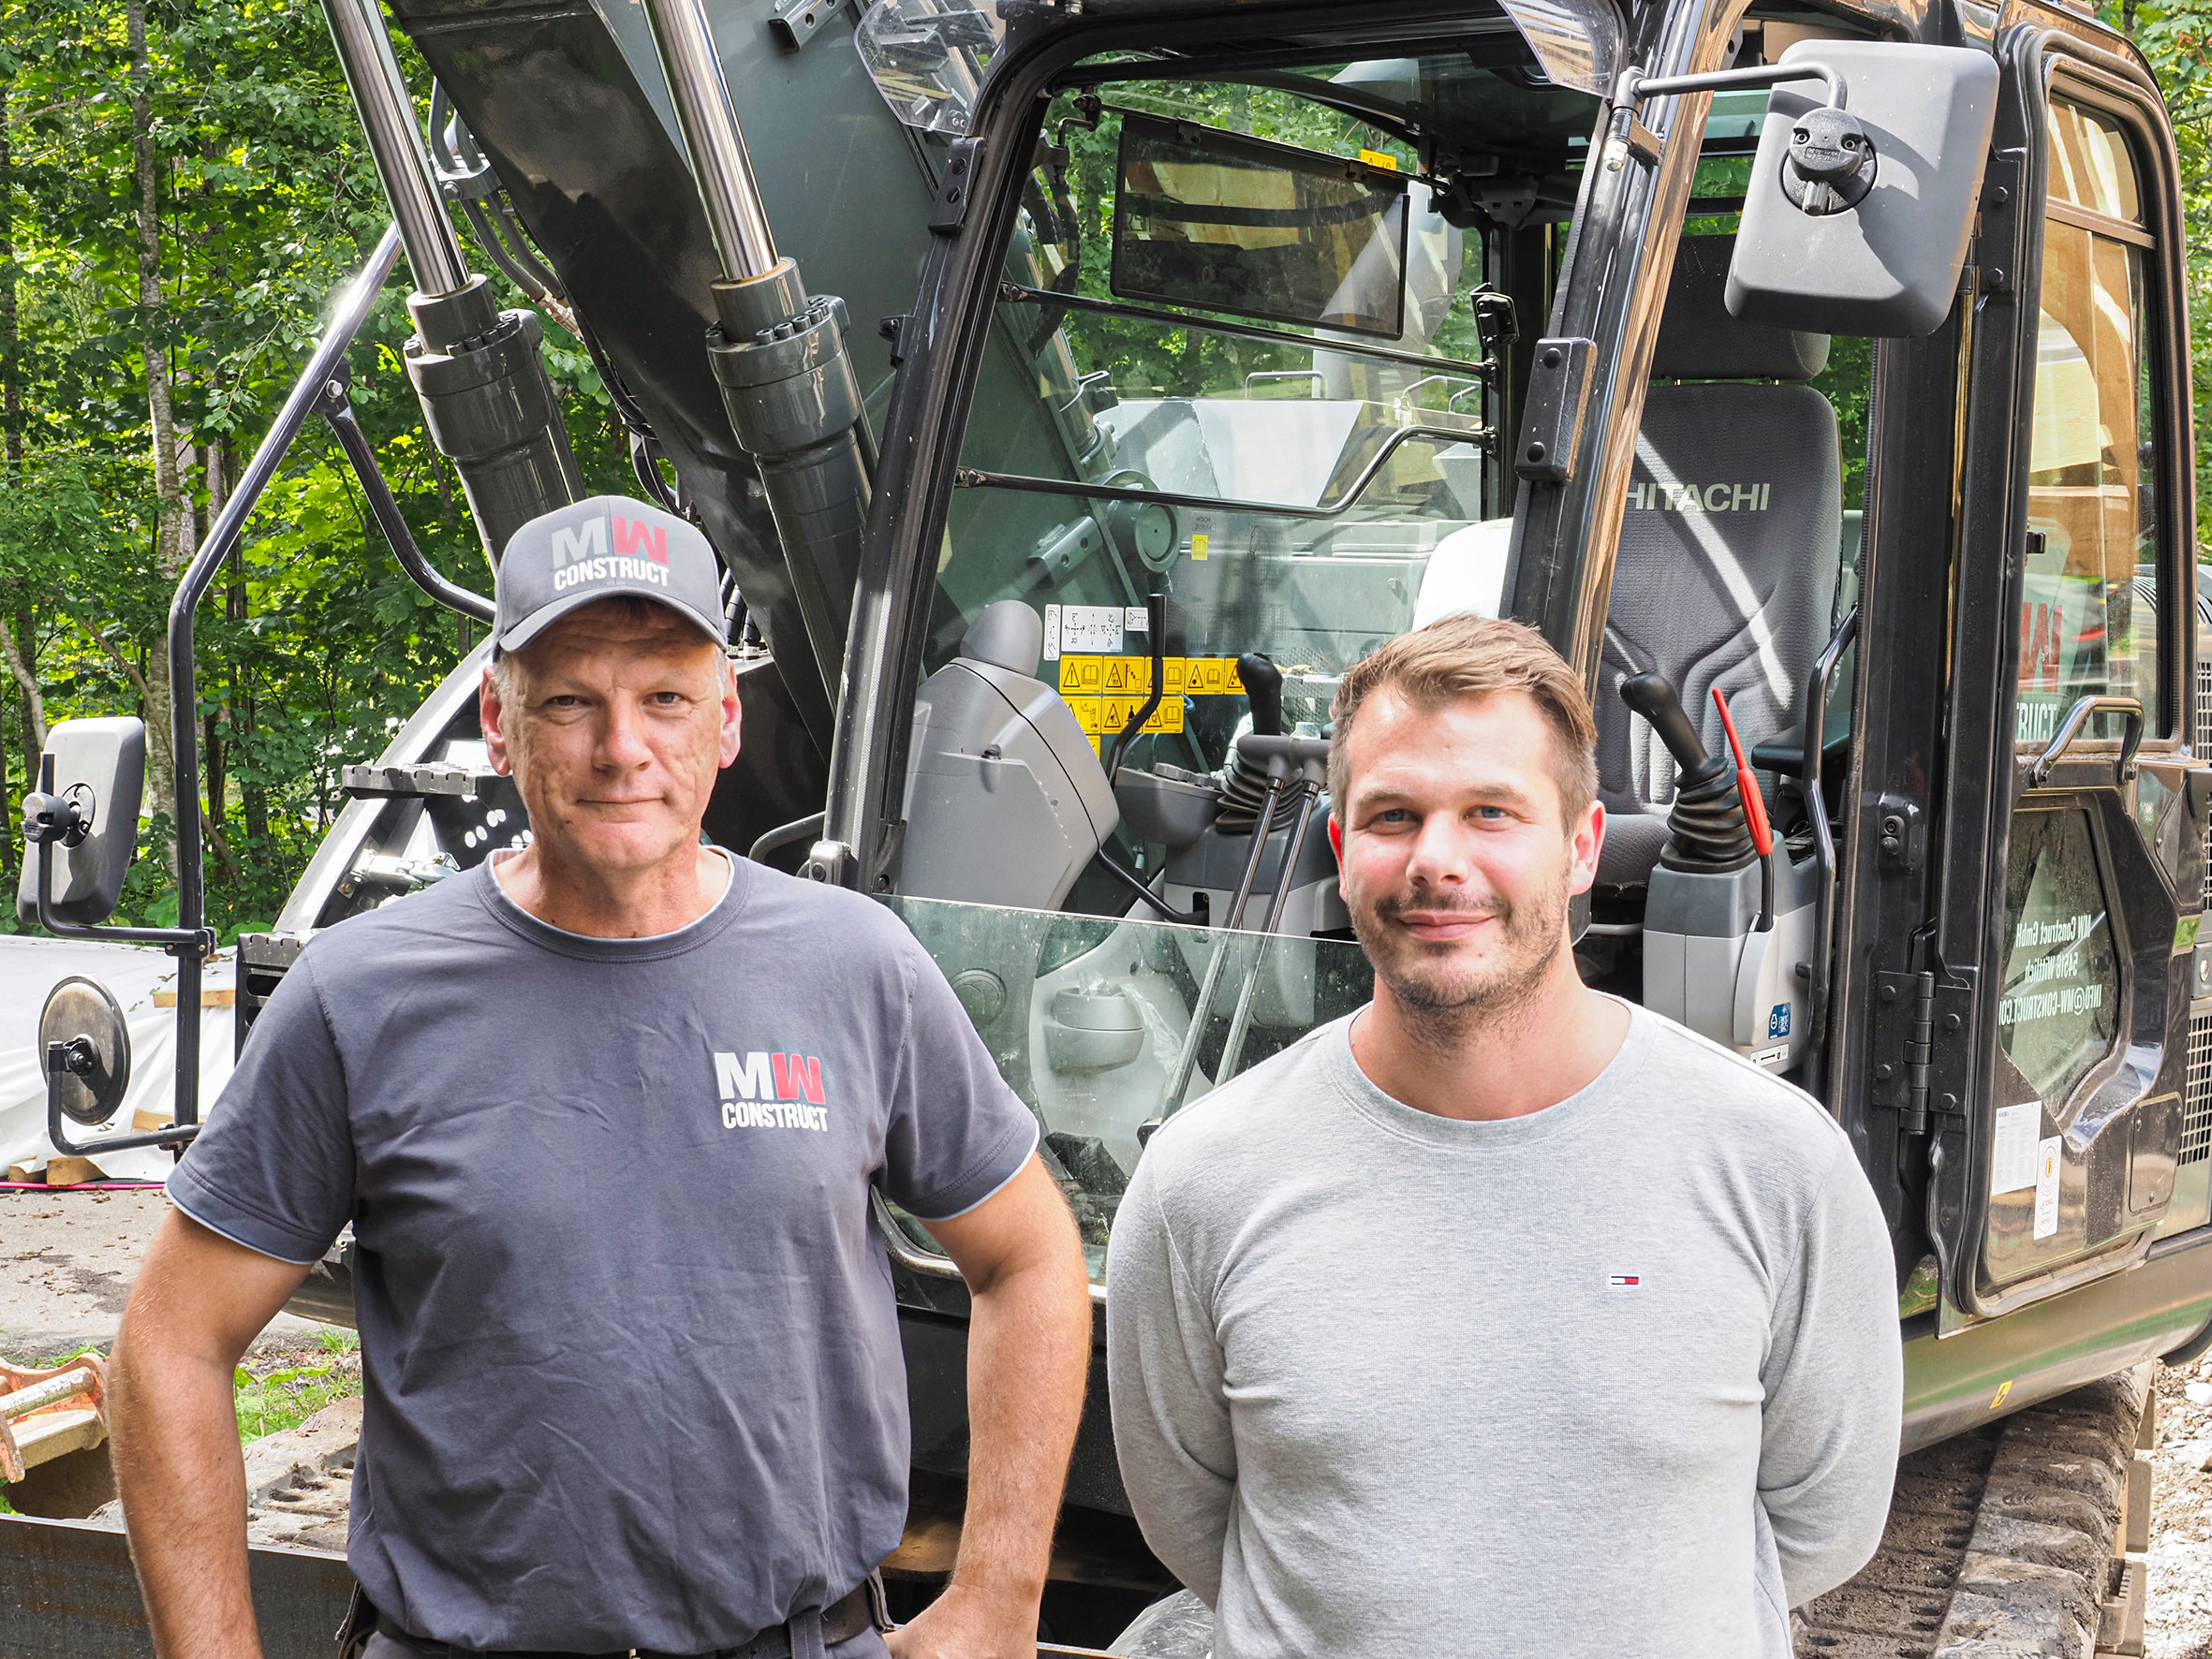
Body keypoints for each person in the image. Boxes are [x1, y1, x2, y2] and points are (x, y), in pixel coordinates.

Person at [109, 494, 1093, 1659]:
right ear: (498, 721)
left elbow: (1028, 1254)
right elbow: (167, 1346)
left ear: (725, 718)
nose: (622, 747)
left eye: (665, 698)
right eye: (570, 699)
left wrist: (997, 1593)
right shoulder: (361, 994)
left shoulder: (857, 965)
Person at [1105, 614, 1900, 1657]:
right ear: (1341, 851)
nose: (1437, 859)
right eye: (1393, 815)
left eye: (1491, 811)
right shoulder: (1200, 1182)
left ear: (1579, 847)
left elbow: (1821, 1524)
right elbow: (1193, 1519)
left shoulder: (1773, 1165)